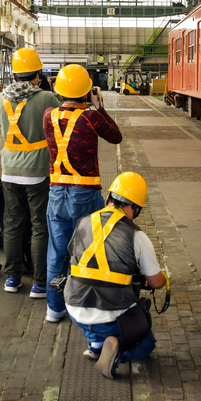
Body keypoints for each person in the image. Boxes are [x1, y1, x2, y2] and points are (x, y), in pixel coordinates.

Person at [64, 172, 166, 379]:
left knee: (96, 306)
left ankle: (95, 344)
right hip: (110, 314)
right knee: (146, 344)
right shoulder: (137, 235)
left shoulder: (83, 222)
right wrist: (163, 278)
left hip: (74, 307)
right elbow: (156, 283)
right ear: (135, 208)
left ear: (109, 197)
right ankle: (118, 349)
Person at [43, 64, 122, 323]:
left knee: (57, 252)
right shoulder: (92, 118)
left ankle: (54, 309)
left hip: (56, 193)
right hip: (85, 194)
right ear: (87, 91)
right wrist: (99, 107)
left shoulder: (48, 116)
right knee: (88, 251)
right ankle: (85, 305)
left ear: (59, 89)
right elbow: (116, 137)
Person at [0, 47, 60, 298]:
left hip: (9, 171)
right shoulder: (46, 98)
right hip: (37, 171)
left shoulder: (0, 98)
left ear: (13, 74)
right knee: (39, 225)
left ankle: (12, 278)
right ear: (38, 74)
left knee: (12, 224)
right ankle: (39, 283)